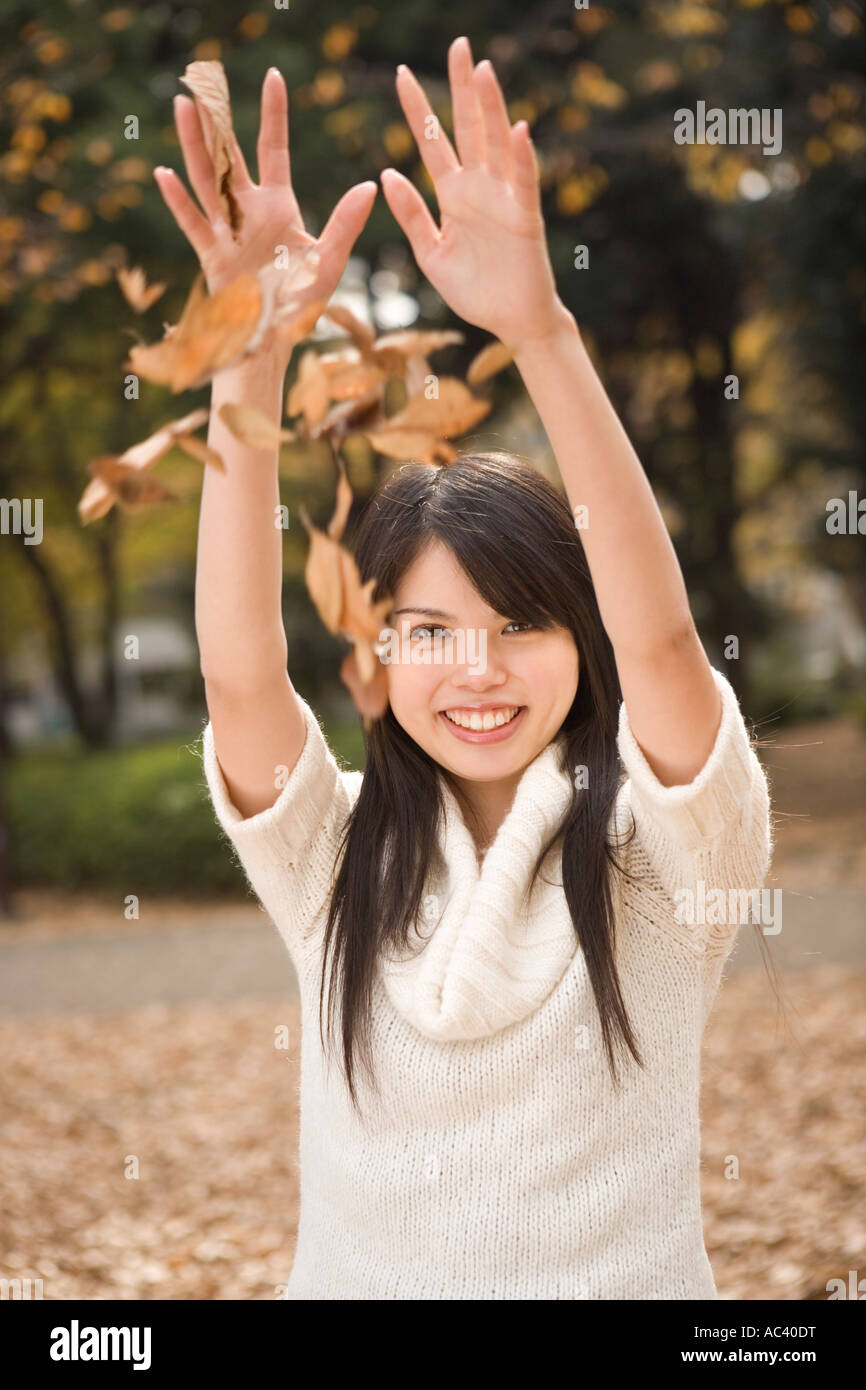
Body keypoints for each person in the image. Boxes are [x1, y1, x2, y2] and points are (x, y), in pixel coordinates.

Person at [157, 36, 772, 1300]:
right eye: (428, 630)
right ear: (375, 653)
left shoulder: (666, 862)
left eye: (520, 622)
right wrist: (247, 362)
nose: (475, 669)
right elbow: (237, 673)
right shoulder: (334, 861)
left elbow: (658, 644)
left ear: (578, 638)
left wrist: (539, 331)